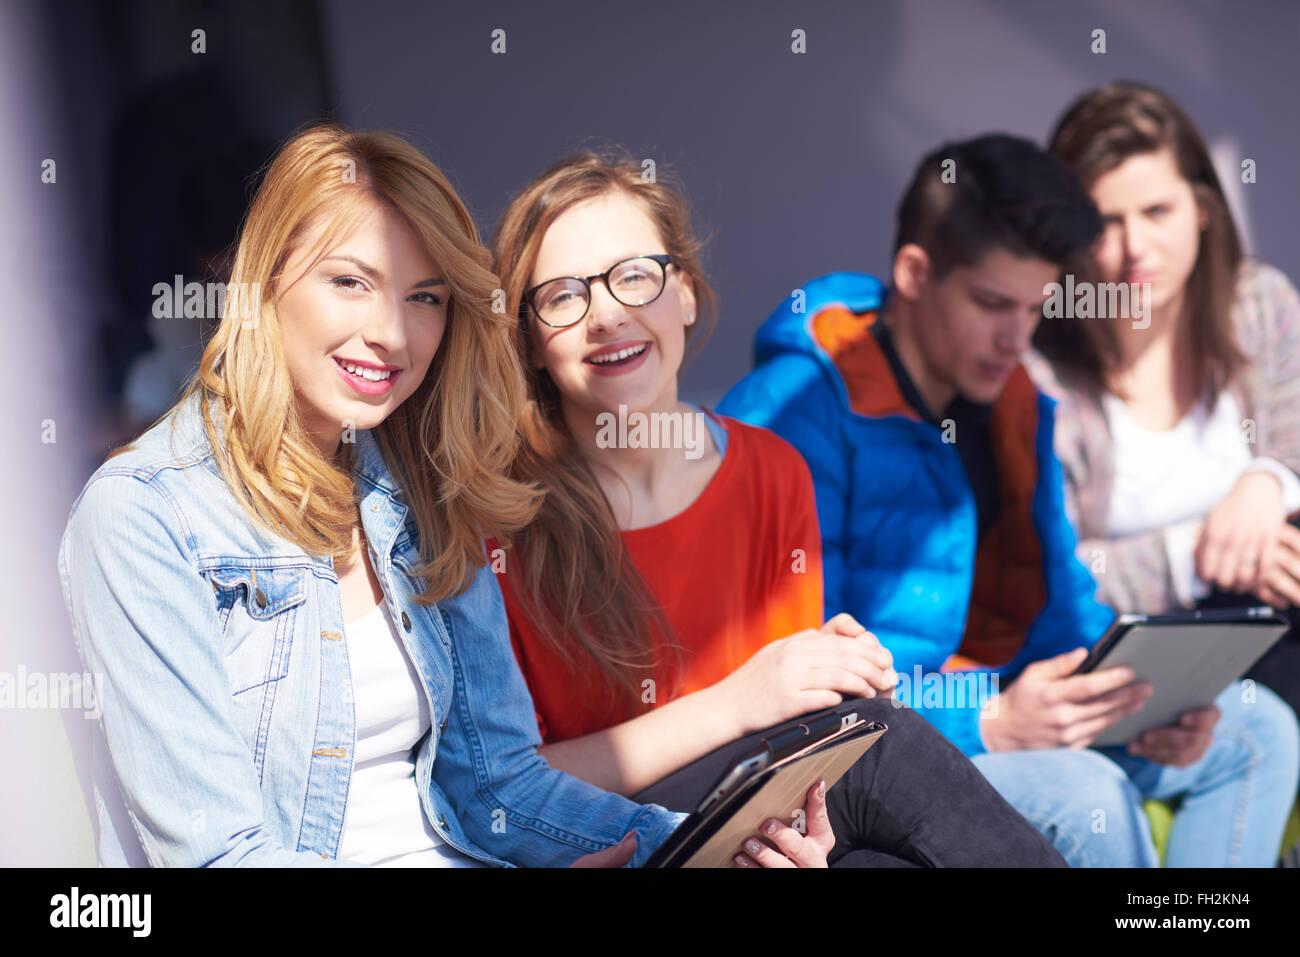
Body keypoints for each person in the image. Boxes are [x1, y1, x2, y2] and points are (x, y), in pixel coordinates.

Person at [57, 123, 815, 868]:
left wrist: (704, 846)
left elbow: (502, 788)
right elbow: (219, 854)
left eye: (425, 297)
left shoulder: (415, 493)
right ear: (264, 281)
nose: (392, 331)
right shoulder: (142, 517)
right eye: (351, 282)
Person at [718, 132, 1300, 866]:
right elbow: (786, 669)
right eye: (993, 303)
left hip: (992, 697)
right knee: (1085, 792)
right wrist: (986, 719)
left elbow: (1063, 604)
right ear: (914, 272)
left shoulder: (1016, 401)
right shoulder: (797, 411)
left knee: (1257, 729)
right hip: (868, 748)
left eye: (1034, 308)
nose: (1015, 338)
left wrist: (1135, 693)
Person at [488, 149, 1067, 867]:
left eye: (636, 277)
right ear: (532, 342)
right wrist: (741, 701)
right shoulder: (500, 522)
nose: (608, 313)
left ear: (688, 294)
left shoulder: (769, 470)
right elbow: (507, 791)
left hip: (753, 827)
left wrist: (840, 669)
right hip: (613, 841)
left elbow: (797, 741)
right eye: (564, 296)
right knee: (884, 748)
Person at [1026, 80, 1300, 726]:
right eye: (1105, 223)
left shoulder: (1256, 301)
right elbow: (1053, 573)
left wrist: (1271, 479)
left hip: (1273, 616)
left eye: (1157, 212)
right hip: (1131, 649)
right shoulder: (1036, 370)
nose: (1136, 250)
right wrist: (1199, 550)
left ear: (1203, 208)